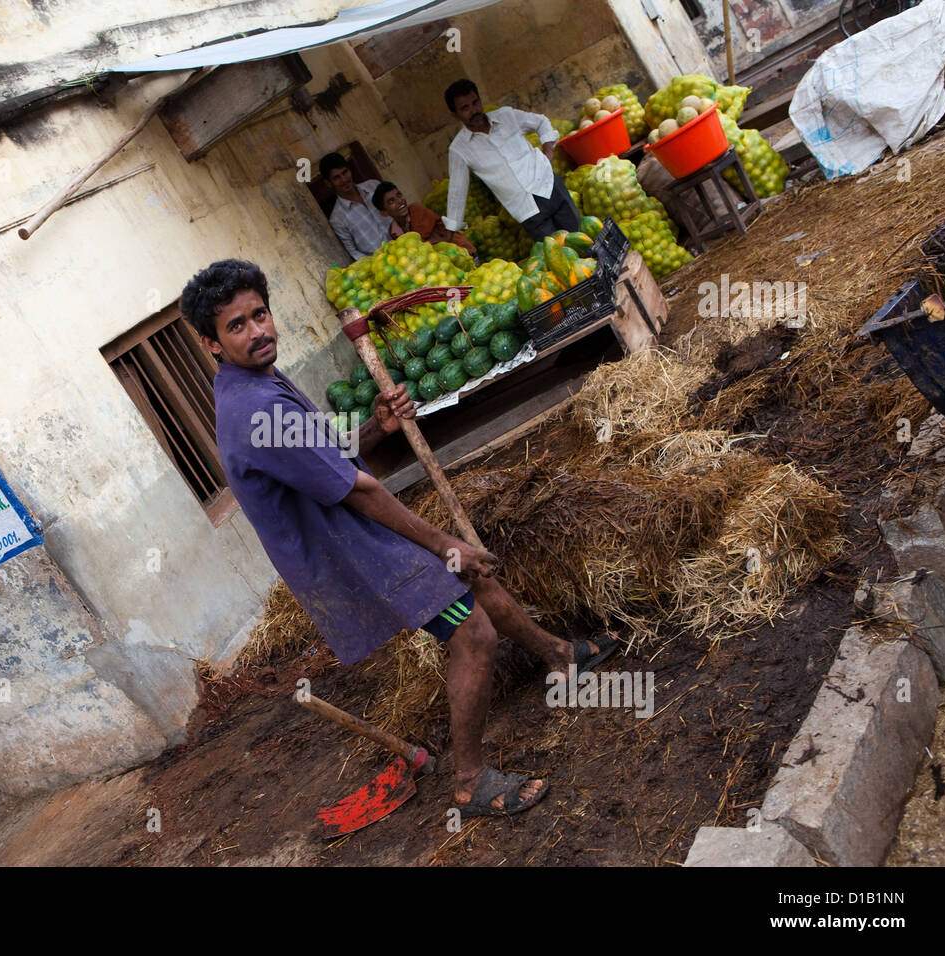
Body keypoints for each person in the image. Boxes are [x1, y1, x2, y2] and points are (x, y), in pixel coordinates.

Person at [180, 259, 618, 817]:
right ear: (211, 344)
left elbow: (324, 455)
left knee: (471, 582)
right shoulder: (256, 407)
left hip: (357, 535)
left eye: (259, 314)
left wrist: (375, 428)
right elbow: (358, 491)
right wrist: (444, 544)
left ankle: (558, 655)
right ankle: (470, 779)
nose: (257, 331)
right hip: (355, 553)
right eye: (236, 325)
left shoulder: (261, 381)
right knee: (474, 634)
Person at [441, 78, 581, 243]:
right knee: (561, 256)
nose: (474, 110)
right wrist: (450, 235)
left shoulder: (506, 116)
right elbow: (457, 191)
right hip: (527, 210)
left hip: (549, 186)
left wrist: (548, 152)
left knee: (582, 238)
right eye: (465, 108)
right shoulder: (459, 149)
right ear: (455, 115)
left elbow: (541, 122)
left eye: (475, 102)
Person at [371, 181, 477, 256]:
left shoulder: (416, 210)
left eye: (399, 195)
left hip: (463, 253)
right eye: (391, 201)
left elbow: (420, 244)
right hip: (445, 264)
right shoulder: (393, 231)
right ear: (384, 212)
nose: (399, 201)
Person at [320, 152, 389, 262]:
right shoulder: (337, 219)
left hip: (407, 248)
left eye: (345, 172)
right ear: (328, 183)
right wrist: (376, 265)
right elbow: (352, 251)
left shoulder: (374, 186)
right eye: (336, 177)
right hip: (382, 266)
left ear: (350, 170)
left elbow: (397, 209)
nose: (344, 180)